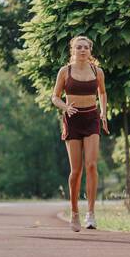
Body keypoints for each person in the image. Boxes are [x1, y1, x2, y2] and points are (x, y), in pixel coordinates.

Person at [50, 35, 108, 231]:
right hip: (73, 120)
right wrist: (65, 107)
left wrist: (104, 113)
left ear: (90, 51)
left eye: (85, 47)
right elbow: (55, 97)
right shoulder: (64, 72)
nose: (82, 50)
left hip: (91, 119)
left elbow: (102, 92)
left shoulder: (97, 71)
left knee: (92, 165)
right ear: (72, 50)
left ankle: (90, 213)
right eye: (78, 47)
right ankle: (74, 212)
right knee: (76, 170)